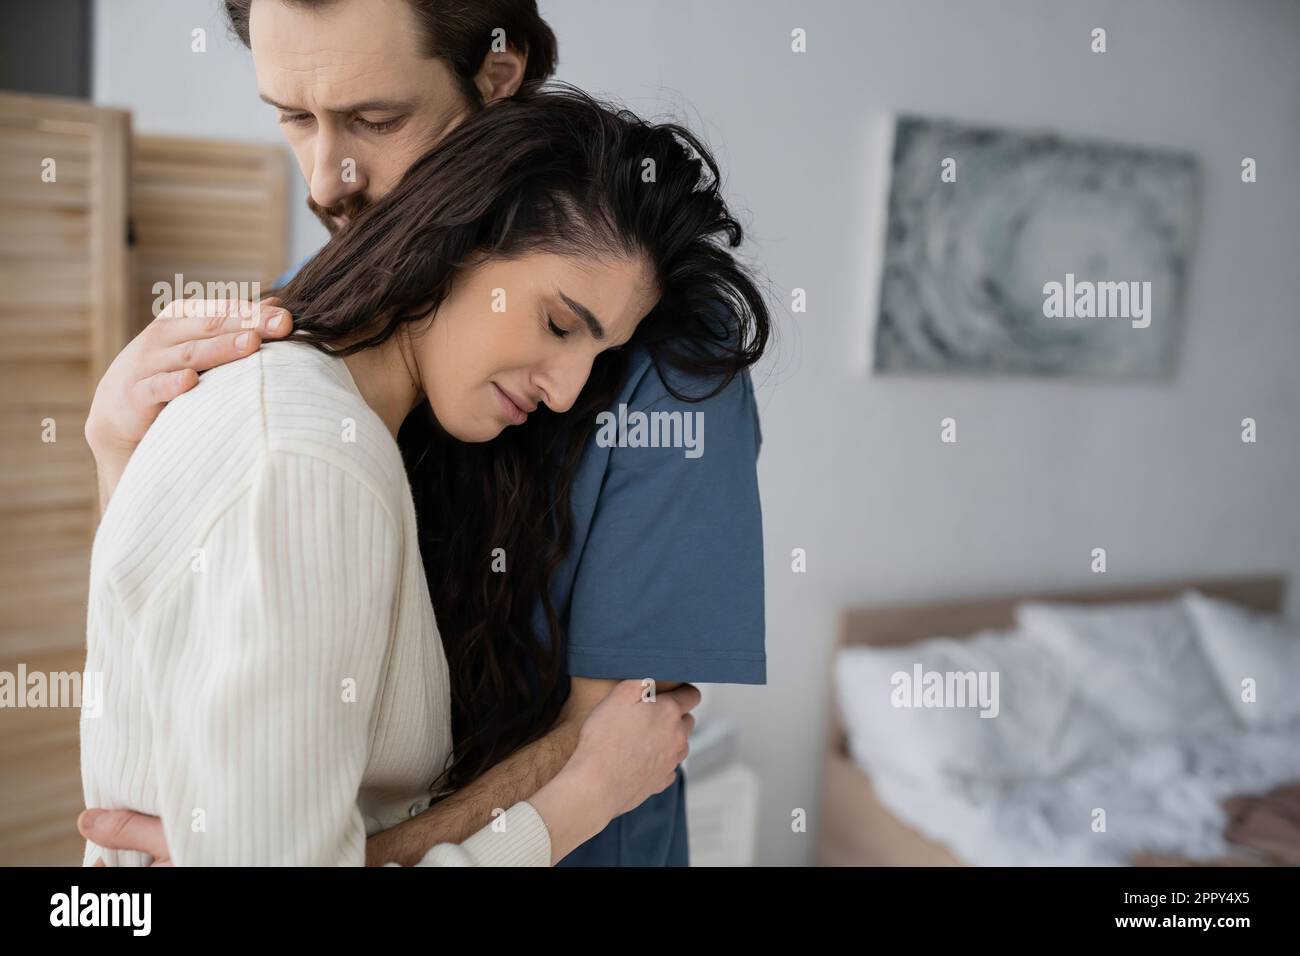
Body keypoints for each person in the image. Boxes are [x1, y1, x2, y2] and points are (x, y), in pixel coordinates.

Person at [80, 0, 768, 867]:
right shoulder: (297, 360)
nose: (325, 181)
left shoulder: (664, 361)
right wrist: (123, 463)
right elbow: (203, 629)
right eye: (294, 117)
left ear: (495, 80)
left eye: (376, 119)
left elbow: (615, 732)